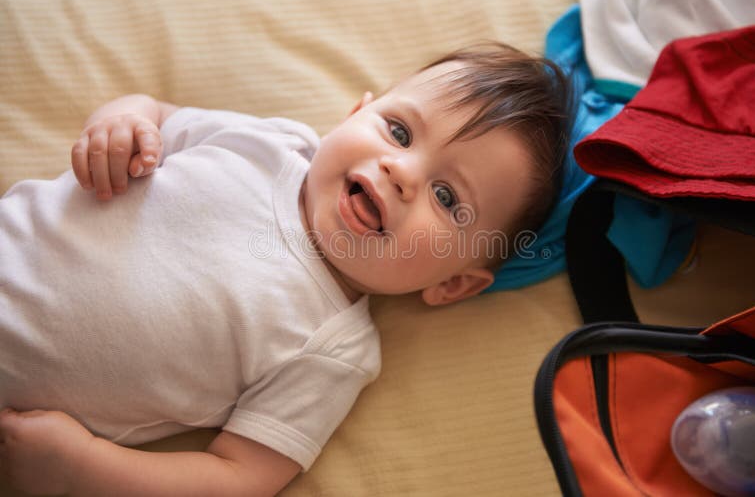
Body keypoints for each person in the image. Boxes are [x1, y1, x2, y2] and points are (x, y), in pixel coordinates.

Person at [0, 42, 570, 496]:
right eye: (398, 131)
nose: (401, 171)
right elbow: (158, 116)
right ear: (355, 113)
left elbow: (239, 477)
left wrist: (79, 470)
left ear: (452, 283)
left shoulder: (334, 350)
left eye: (447, 197)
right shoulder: (270, 142)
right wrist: (122, 121)